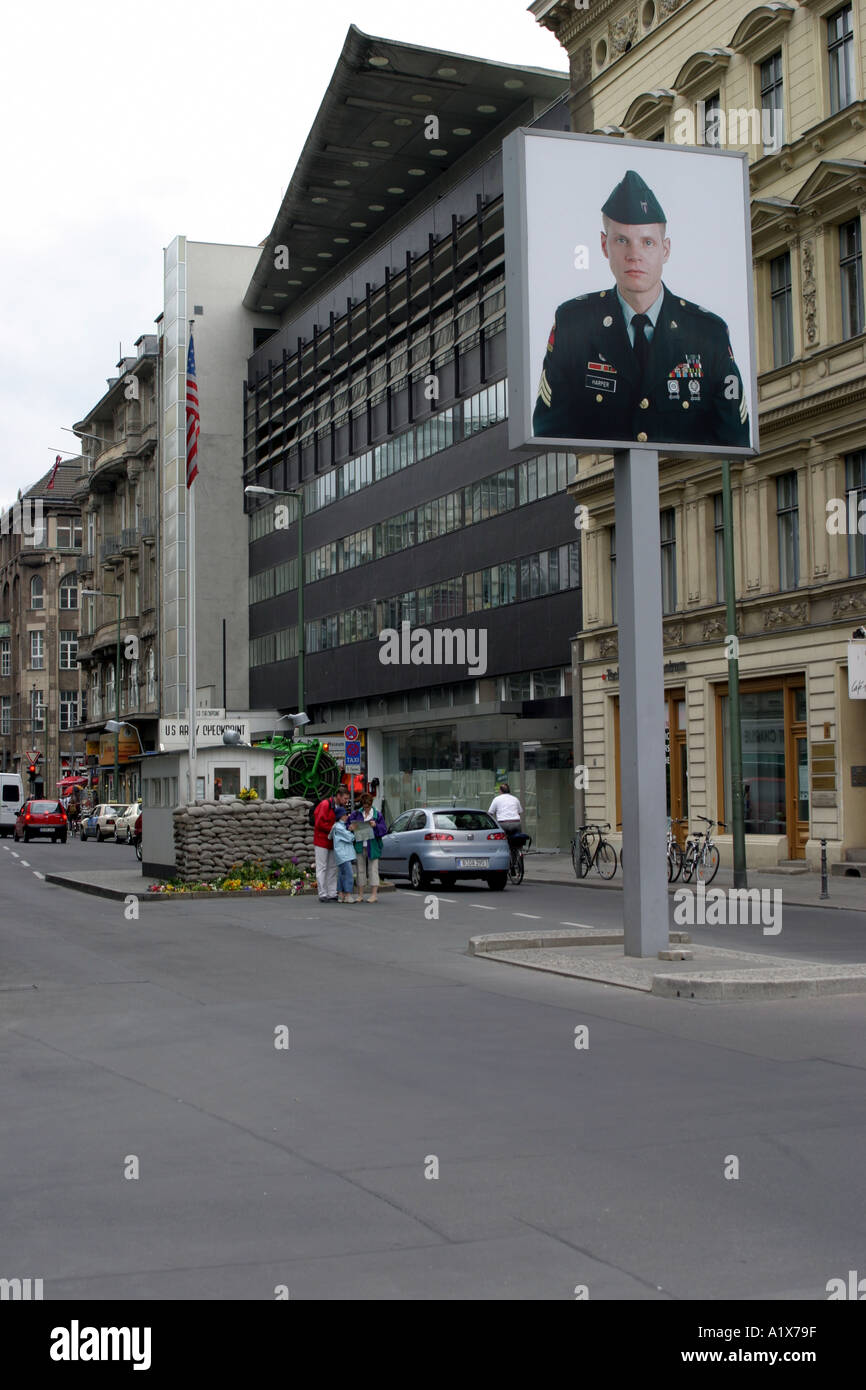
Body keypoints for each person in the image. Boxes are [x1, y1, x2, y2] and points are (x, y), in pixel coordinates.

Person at [532, 169, 750, 448]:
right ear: (604, 245)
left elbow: (733, 436)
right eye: (622, 240)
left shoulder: (708, 333)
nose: (634, 255)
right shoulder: (574, 325)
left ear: (666, 249)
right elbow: (550, 430)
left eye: (647, 242)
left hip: (685, 486)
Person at [349, 792, 387, 903]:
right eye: (364, 806)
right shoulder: (356, 814)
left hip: (373, 846)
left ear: (371, 804)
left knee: (373, 870)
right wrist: (351, 827)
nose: (366, 808)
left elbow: (384, 830)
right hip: (360, 845)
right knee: (360, 870)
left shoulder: (377, 815)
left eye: (368, 806)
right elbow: (348, 824)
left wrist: (376, 826)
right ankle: (360, 895)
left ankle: (374, 895)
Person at [313, 785, 349, 902]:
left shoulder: (339, 807)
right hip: (322, 841)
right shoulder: (325, 805)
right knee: (322, 867)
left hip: (333, 841)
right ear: (338, 796)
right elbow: (318, 823)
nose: (346, 801)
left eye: (347, 799)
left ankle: (332, 892)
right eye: (345, 798)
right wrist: (334, 829)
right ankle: (322, 893)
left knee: (333, 867)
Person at [329, 807, 358, 904]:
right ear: (341, 816)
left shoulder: (336, 826)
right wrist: (352, 830)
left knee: (342, 874)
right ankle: (348, 895)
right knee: (349, 874)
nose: (347, 816)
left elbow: (329, 837)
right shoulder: (339, 827)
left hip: (340, 854)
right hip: (344, 854)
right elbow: (351, 838)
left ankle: (340, 895)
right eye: (345, 814)